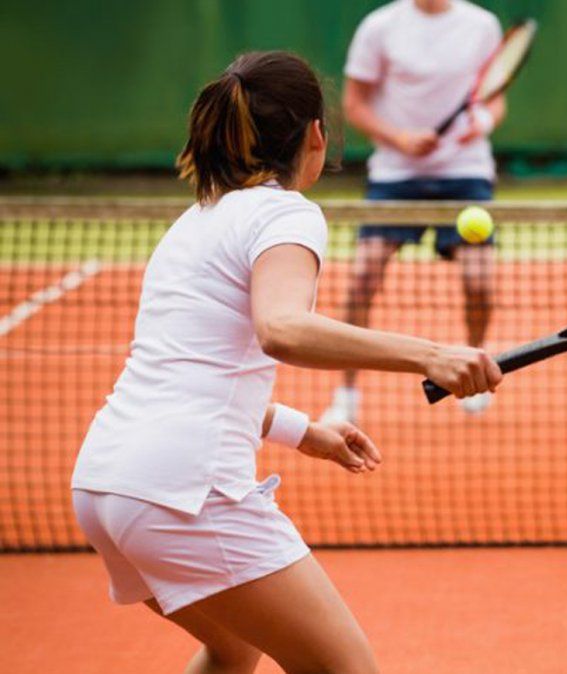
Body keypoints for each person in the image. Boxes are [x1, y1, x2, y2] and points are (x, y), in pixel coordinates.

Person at [70, 52, 501, 674]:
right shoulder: (286, 213)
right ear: (316, 135)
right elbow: (282, 330)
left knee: (233, 649)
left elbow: (195, 372)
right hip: (184, 492)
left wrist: (302, 432)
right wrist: (430, 354)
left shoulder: (197, 220)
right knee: (346, 668)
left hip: (108, 484)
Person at [322, 0, 506, 421]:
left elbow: (494, 101)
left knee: (479, 283)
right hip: (395, 174)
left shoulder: (482, 25)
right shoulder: (379, 26)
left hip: (466, 172)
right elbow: (354, 104)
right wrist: (400, 138)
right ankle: (346, 395)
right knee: (362, 279)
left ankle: (474, 370)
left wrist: (484, 124)